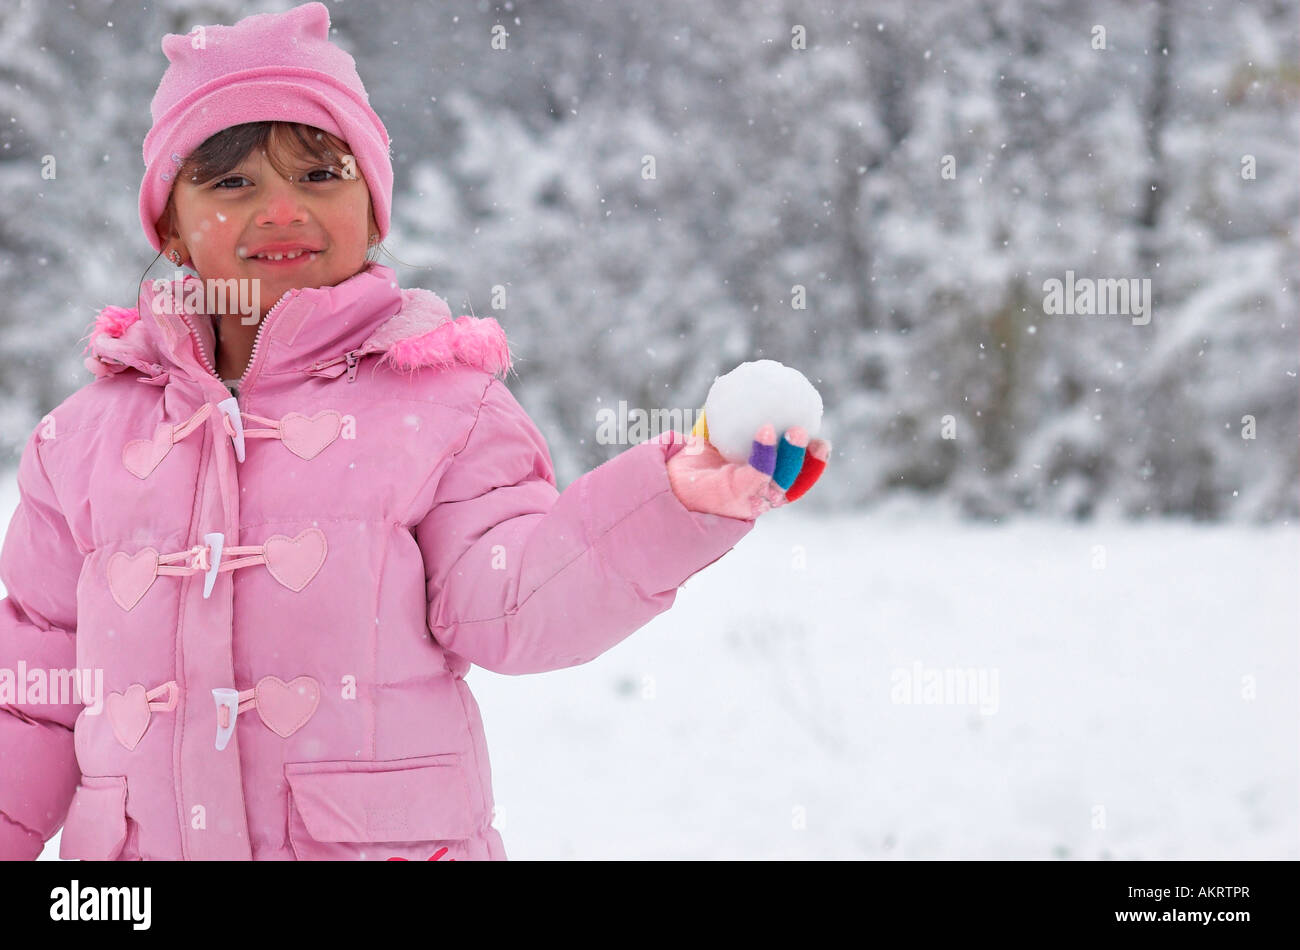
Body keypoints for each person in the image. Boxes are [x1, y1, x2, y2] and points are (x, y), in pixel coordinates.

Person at [0, 2, 828, 861]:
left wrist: (667, 496)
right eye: (233, 182)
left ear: (374, 206)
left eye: (321, 176)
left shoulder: (443, 410)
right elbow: (32, 698)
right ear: (170, 225)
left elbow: (513, 599)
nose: (283, 210)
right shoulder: (82, 444)